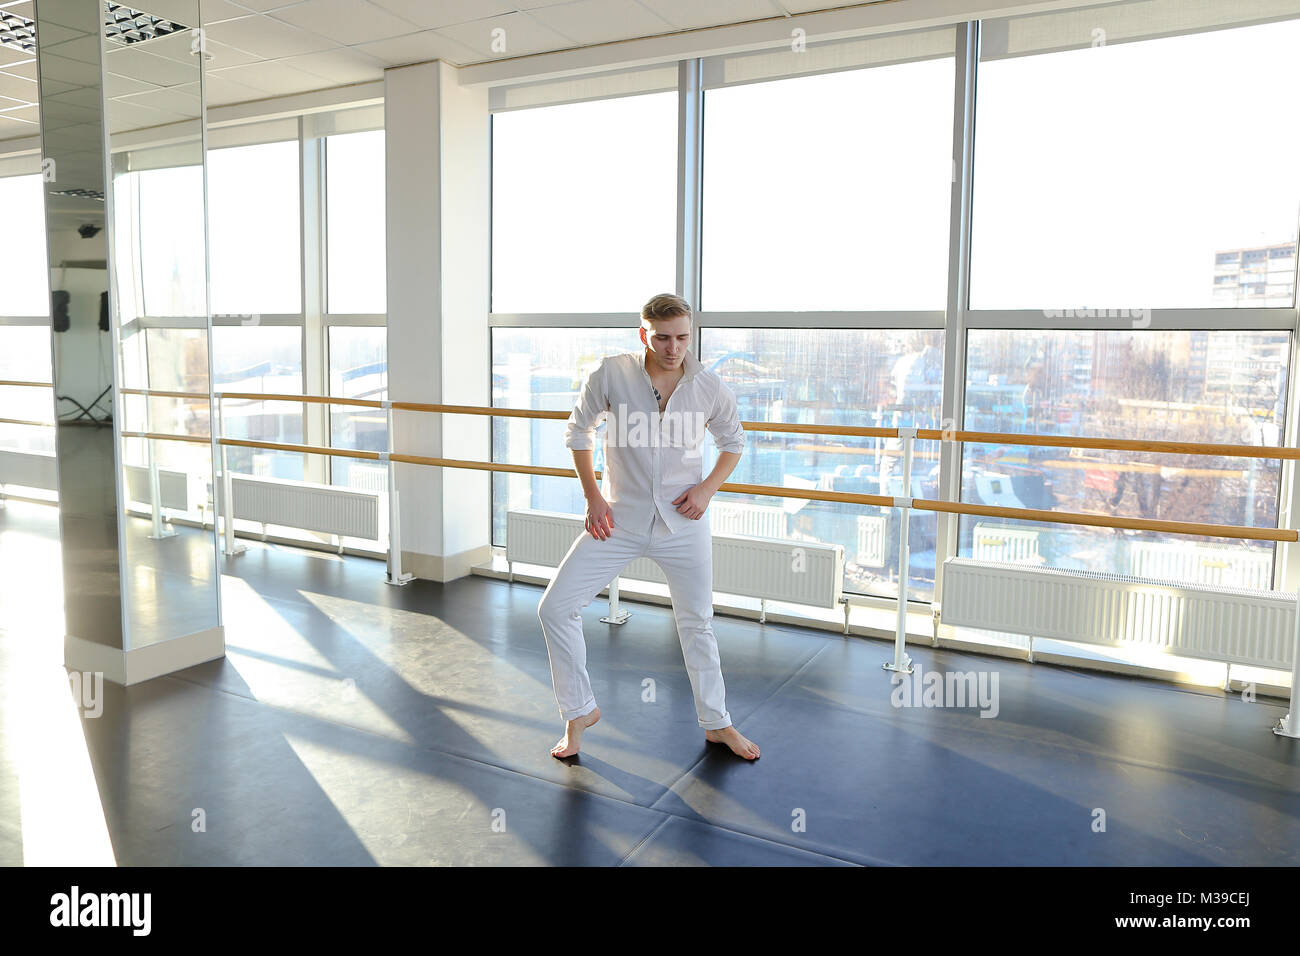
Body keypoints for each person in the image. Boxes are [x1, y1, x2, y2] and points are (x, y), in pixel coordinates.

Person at [537, 293, 761, 761]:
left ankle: (718, 724)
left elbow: (733, 442)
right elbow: (579, 431)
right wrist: (593, 497)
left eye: (682, 337)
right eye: (662, 337)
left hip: (685, 523)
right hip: (620, 518)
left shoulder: (709, 387)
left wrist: (706, 490)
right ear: (644, 334)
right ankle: (578, 712)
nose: (673, 347)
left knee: (697, 623)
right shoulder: (611, 374)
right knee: (556, 607)